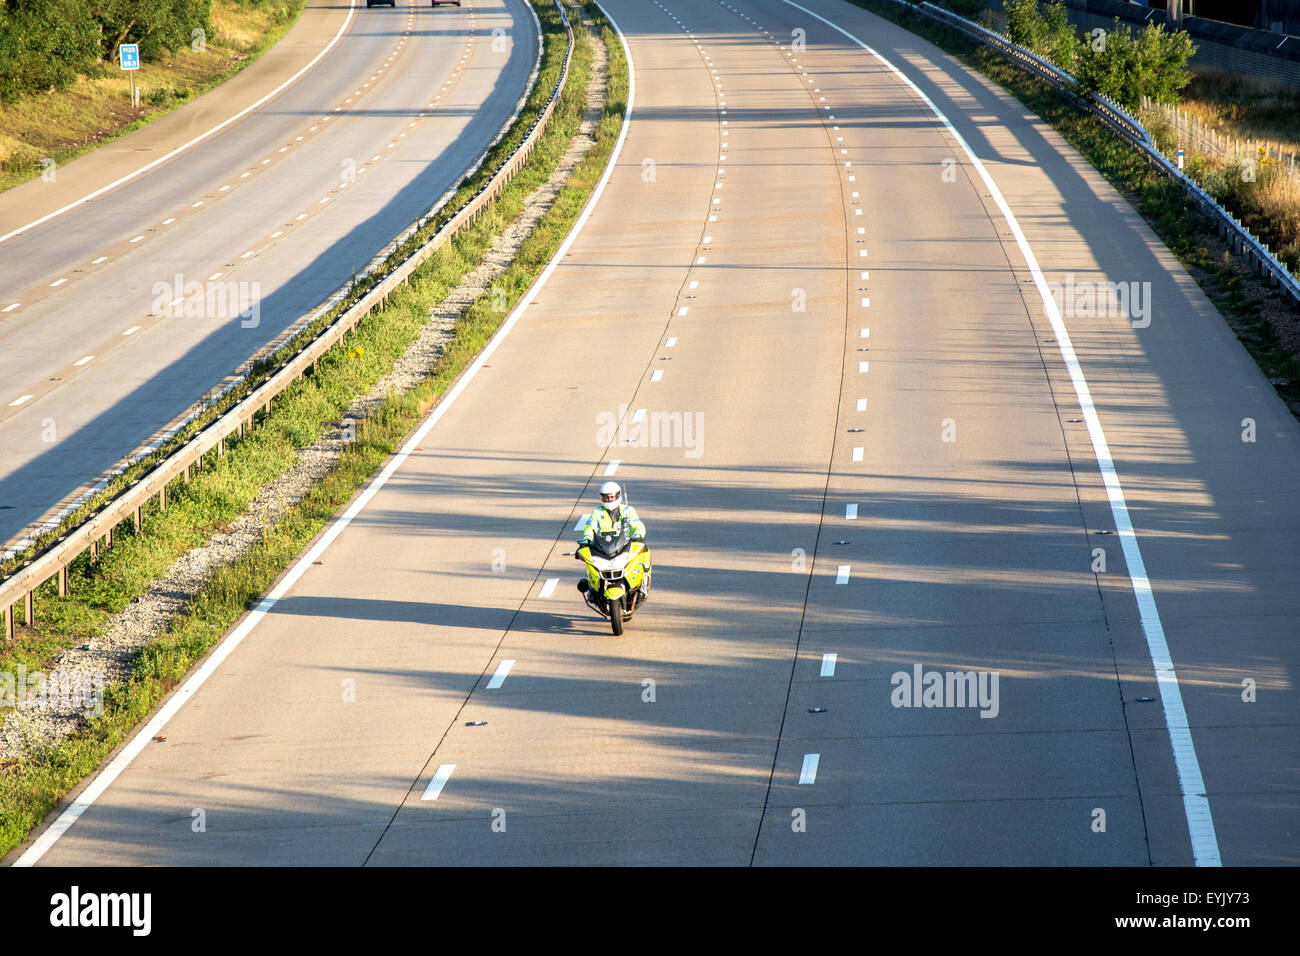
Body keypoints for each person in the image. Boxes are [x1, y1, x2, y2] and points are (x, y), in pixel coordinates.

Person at [577, 481, 645, 547]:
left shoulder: (628, 510)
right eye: (606, 497)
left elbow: (637, 525)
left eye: (612, 497)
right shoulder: (597, 512)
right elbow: (590, 527)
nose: (609, 499)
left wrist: (638, 534)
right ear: (602, 497)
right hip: (602, 547)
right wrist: (587, 538)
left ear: (618, 496)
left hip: (625, 545)